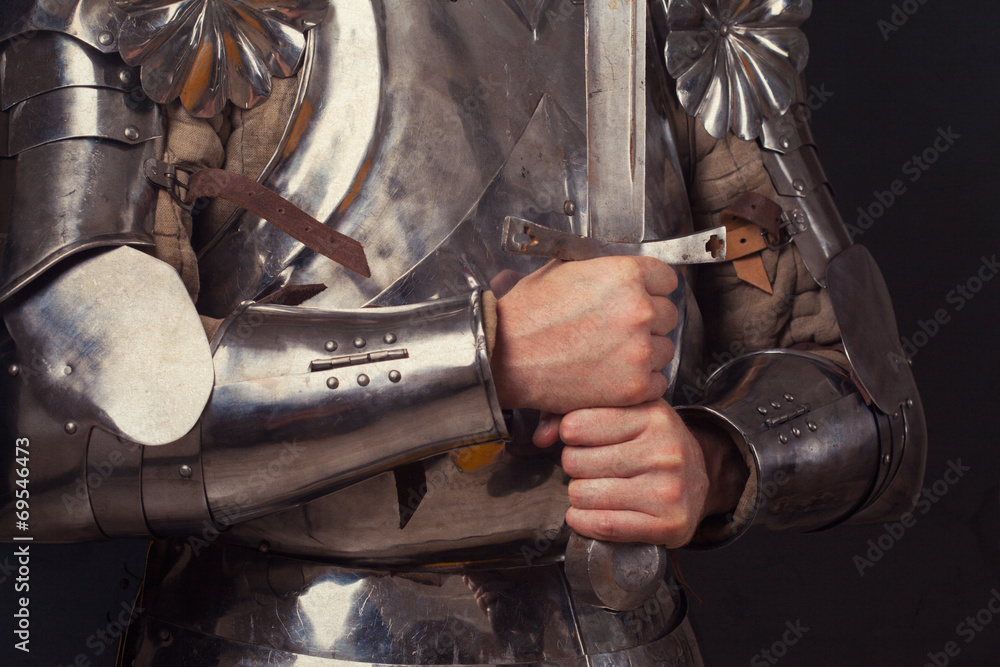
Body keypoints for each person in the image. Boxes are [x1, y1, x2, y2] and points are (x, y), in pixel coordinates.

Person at [0, 1, 925, 665]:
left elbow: (876, 406)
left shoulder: (681, 14)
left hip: (614, 640)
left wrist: (720, 457)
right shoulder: (160, 12)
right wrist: (492, 350)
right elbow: (49, 436)